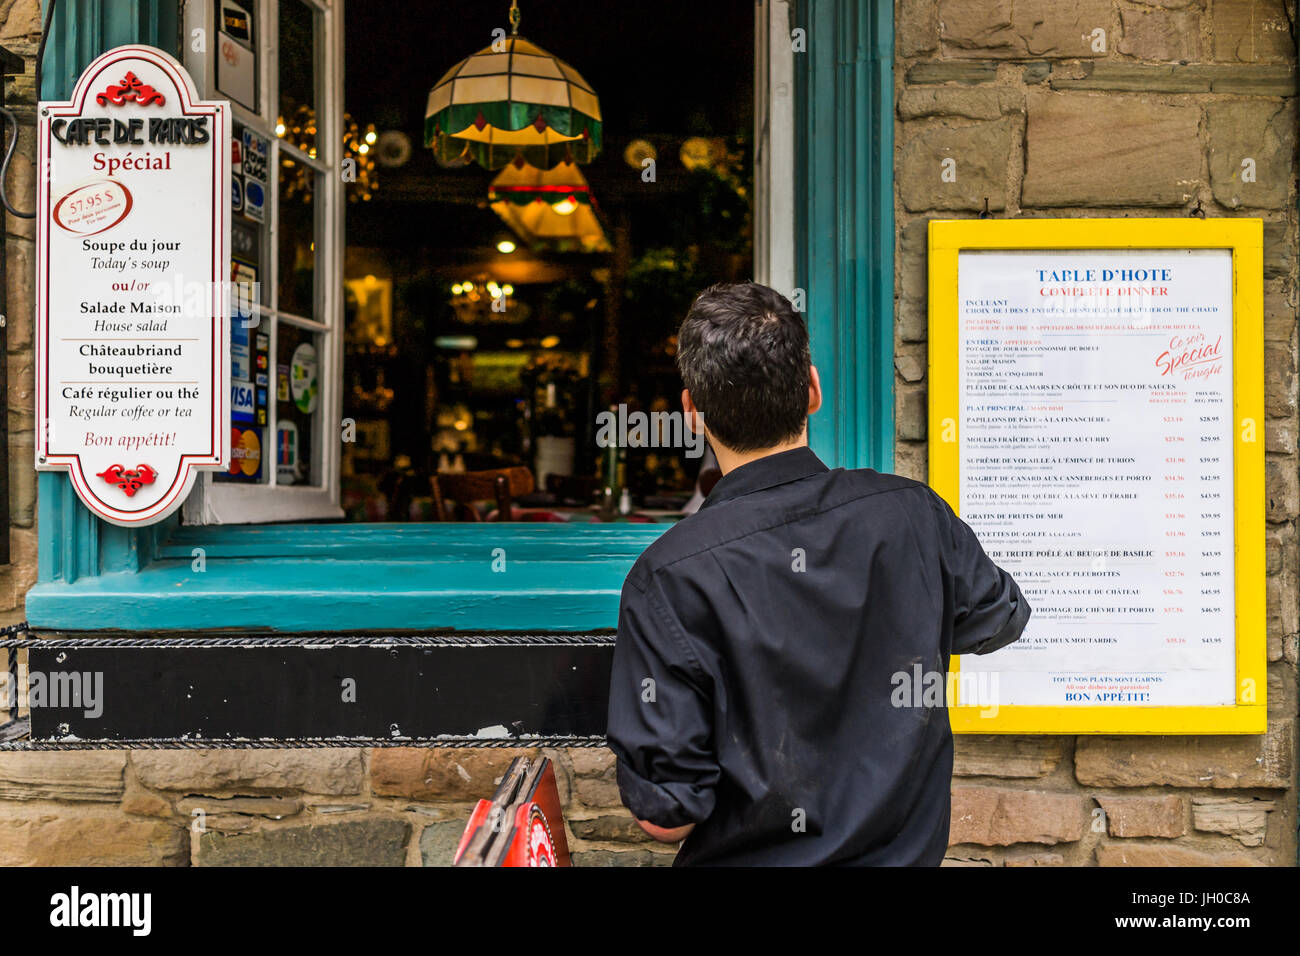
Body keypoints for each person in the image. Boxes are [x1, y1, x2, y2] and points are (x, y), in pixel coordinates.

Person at [605, 281, 1031, 866]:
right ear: (812, 390)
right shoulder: (911, 513)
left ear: (690, 412)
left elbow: (668, 817)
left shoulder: (669, 577)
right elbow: (999, 618)